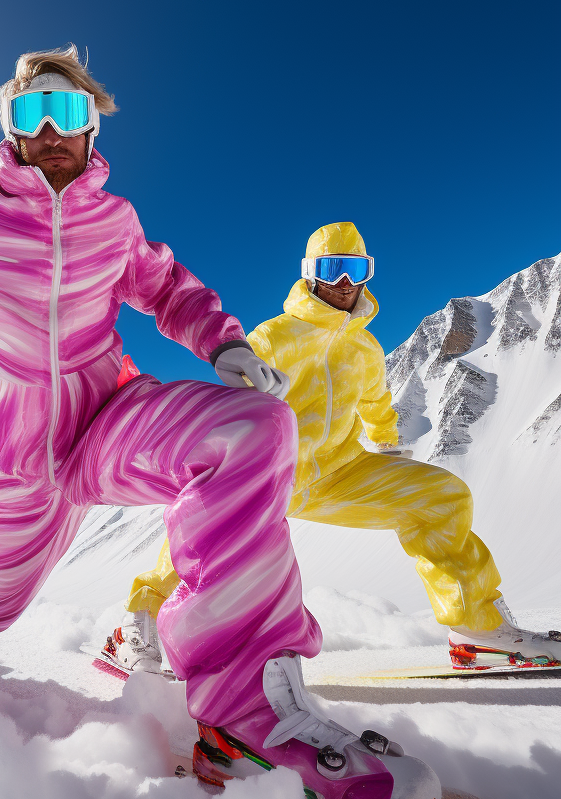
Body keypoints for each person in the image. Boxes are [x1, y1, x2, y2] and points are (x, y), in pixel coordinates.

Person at [0, 47, 443, 799]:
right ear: (10, 127)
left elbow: (166, 286)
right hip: (18, 452)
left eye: (68, 112)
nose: (51, 131)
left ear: (92, 127)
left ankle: (245, 720)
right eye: (32, 113)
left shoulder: (113, 221)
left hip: (108, 416)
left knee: (254, 428)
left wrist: (222, 343)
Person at [106, 221, 561, 676]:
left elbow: (376, 402)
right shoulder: (275, 337)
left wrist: (386, 441)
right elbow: (237, 397)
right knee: (204, 520)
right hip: (270, 473)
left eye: (355, 269)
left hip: (337, 474)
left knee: (443, 497)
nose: (344, 282)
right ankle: (137, 623)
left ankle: (476, 628)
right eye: (332, 268)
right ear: (310, 273)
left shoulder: (365, 349)